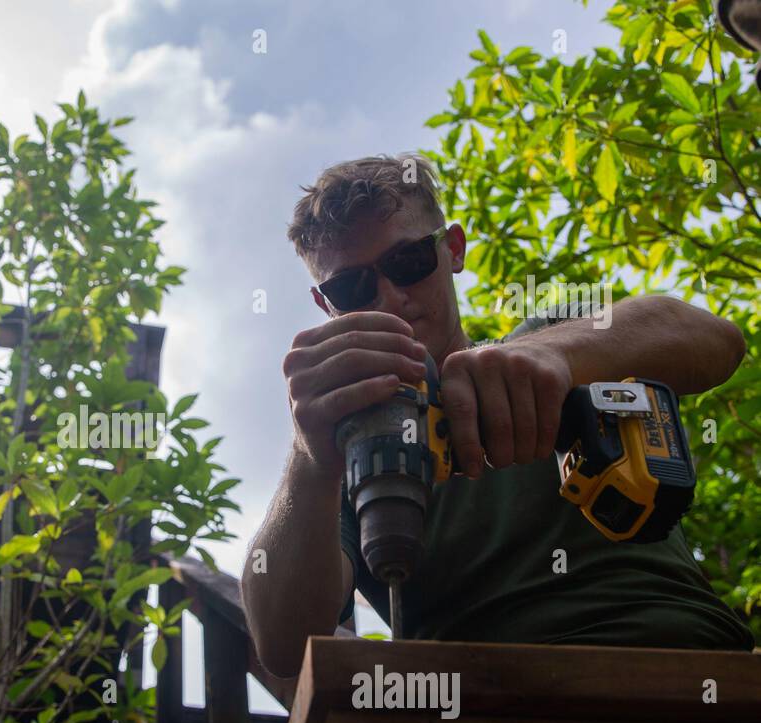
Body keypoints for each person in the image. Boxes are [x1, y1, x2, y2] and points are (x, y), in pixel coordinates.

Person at [243, 153, 753, 679]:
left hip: (695, 675)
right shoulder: (347, 454)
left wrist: (556, 354)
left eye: (409, 262)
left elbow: (718, 341)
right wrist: (310, 455)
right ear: (326, 305)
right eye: (352, 288)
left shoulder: (555, 339)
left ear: (453, 249)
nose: (392, 298)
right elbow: (283, 646)